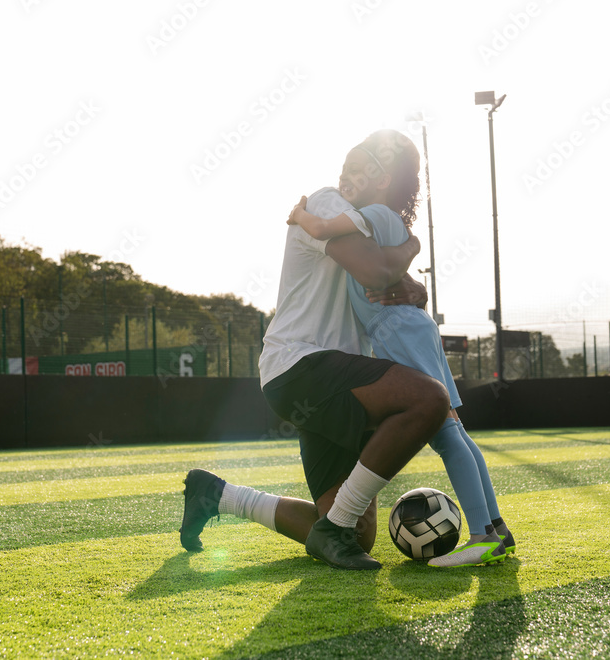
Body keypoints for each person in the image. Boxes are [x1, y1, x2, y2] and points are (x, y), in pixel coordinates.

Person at [180, 130, 450, 570]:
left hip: (333, 382)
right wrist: (413, 248)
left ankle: (219, 495)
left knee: (358, 536)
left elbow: (386, 286)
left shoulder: (371, 228)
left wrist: (412, 286)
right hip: (302, 362)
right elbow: (376, 271)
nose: (351, 171)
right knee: (429, 399)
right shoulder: (326, 203)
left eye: (373, 165)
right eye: (353, 163)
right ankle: (333, 526)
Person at [287, 129, 513, 567]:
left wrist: (300, 215)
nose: (345, 178)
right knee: (456, 429)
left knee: (446, 434)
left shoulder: (370, 213)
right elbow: (394, 261)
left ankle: (484, 534)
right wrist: (413, 245)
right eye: (344, 169)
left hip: (396, 328)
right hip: (409, 326)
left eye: (358, 170)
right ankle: (496, 529)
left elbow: (328, 230)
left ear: (382, 179)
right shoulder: (385, 216)